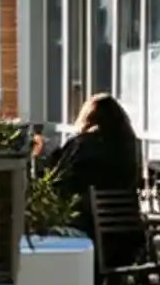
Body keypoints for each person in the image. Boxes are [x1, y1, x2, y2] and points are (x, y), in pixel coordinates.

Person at [50, 94, 143, 267]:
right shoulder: (129, 146)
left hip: (88, 232)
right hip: (127, 236)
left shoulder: (81, 145)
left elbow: (59, 180)